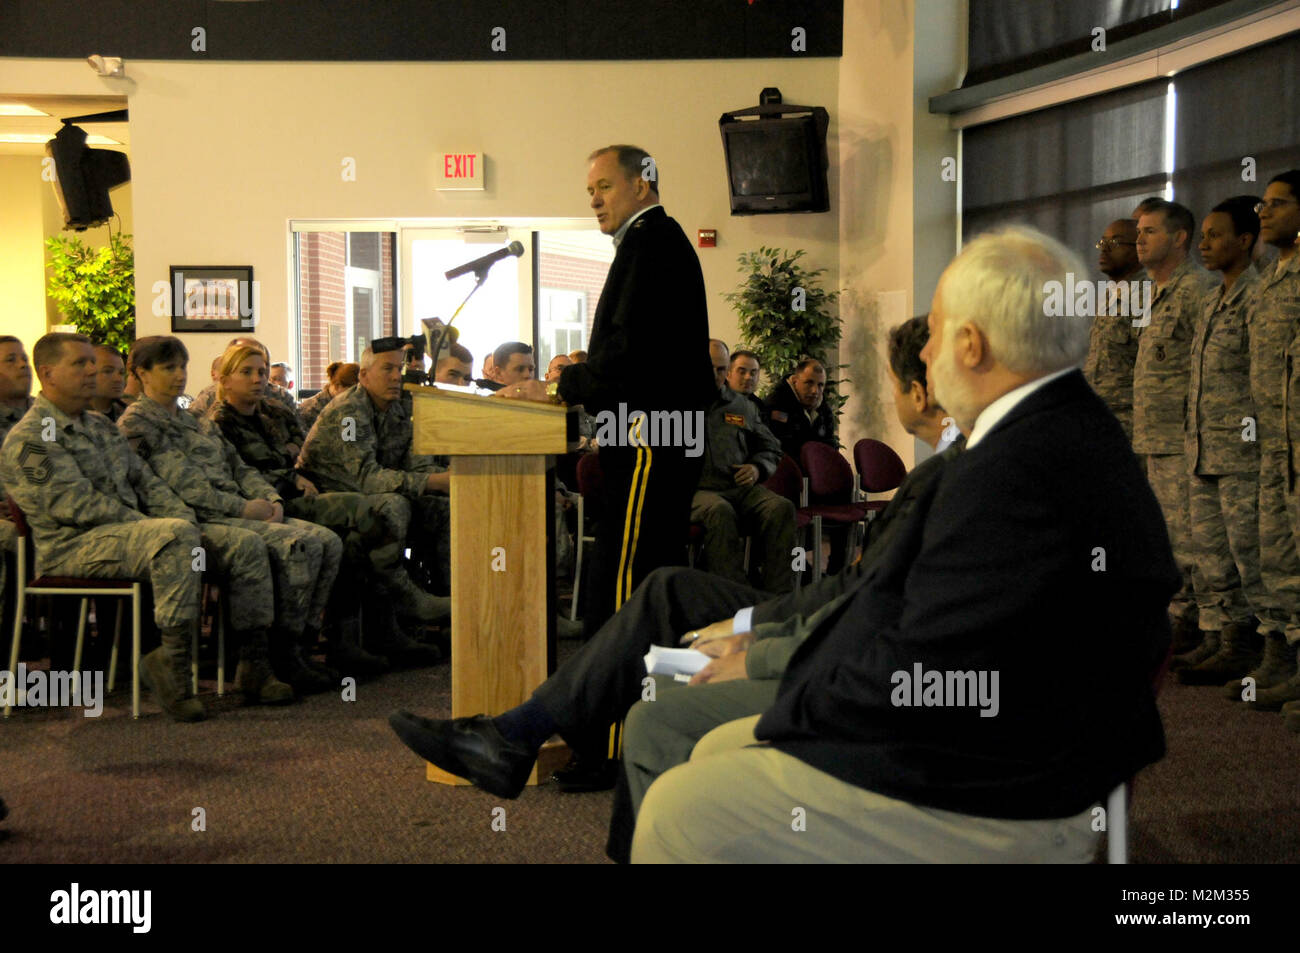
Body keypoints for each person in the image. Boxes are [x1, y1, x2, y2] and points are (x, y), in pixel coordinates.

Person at [626, 225, 1178, 863]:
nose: (928, 353)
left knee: (679, 808)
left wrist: (783, 688)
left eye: (937, 330)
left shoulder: (1009, 470)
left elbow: (914, 667)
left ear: (969, 345)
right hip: (1019, 745)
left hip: (999, 787)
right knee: (720, 747)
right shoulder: (1065, 427)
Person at [385, 315, 964, 843]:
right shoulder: (945, 469)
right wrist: (753, 621)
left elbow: (864, 599)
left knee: (768, 515)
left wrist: (755, 631)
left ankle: (516, 737)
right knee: (668, 585)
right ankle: (517, 733)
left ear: (918, 392)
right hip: (718, 510)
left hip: (845, 629)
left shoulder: (947, 474)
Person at [498, 144, 714, 644]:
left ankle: (615, 688)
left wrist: (557, 386)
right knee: (643, 560)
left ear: (641, 184)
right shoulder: (651, 241)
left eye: (605, 187)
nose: (594, 200)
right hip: (656, 431)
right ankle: (637, 684)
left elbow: (630, 355)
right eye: (590, 191)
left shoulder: (651, 242)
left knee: (628, 568)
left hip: (649, 434)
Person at [0, 333, 208, 721]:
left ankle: (179, 659)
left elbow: (145, 480)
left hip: (122, 535)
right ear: (48, 373)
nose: (92, 369)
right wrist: (156, 527)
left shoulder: (100, 425)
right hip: (70, 546)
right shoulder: (30, 439)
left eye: (91, 362)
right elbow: (75, 505)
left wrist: (181, 516)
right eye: (79, 363)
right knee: (174, 537)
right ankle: (173, 666)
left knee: (187, 532)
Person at [118, 336, 340, 697]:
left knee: (327, 541)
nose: (179, 375)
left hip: (235, 510)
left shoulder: (192, 420)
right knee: (289, 544)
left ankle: (295, 647)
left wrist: (270, 498)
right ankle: (256, 661)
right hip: (194, 521)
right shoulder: (138, 424)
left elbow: (239, 466)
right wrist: (243, 508)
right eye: (168, 368)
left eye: (182, 367)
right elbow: (180, 486)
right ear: (142, 373)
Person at [208, 345, 405, 675]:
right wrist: (288, 477)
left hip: (297, 492)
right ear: (225, 380)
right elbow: (240, 474)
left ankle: (347, 638)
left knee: (354, 540)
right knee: (360, 509)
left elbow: (298, 454)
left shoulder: (273, 414)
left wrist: (294, 473)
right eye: (247, 372)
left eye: (261, 371)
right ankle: (390, 606)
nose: (258, 379)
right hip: (267, 506)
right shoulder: (218, 423)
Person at [1174, 199, 1271, 691]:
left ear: (1247, 240)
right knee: (1209, 554)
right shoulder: (1213, 298)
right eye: (1203, 235)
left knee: (1249, 555)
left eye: (1215, 235)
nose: (1205, 244)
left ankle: (1253, 647)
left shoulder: (1259, 297)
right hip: (1203, 448)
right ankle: (1222, 637)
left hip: (1243, 453)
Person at [298, 341, 453, 639]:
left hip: (376, 495)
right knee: (393, 507)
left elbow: (417, 467)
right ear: (364, 376)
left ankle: (455, 606)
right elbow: (364, 479)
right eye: (388, 369)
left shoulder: (403, 407)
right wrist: (433, 481)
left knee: (444, 509)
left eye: (400, 369)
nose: (397, 376)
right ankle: (399, 612)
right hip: (331, 500)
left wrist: (451, 479)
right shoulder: (347, 414)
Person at [1132, 199, 1215, 654]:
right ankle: (1176, 615)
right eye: (1138, 231)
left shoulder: (1198, 290)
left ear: (1180, 237)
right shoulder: (1149, 293)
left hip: (1186, 439)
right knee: (1165, 535)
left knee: (1191, 537)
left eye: (1149, 231)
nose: (1139, 239)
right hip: (1152, 436)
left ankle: (1196, 623)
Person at [691, 339, 793, 593]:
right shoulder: (676, 404)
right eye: (710, 368)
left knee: (781, 507)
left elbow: (771, 447)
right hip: (697, 491)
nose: (716, 375)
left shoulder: (741, 406)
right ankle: (737, 598)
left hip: (738, 487)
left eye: (722, 369)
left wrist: (758, 468)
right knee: (719, 511)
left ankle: (778, 598)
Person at [1260, 170, 1300, 718]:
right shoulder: (1273, 275)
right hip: (1274, 441)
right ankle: (1289, 657)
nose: (1263, 213)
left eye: (1278, 204)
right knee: (1280, 559)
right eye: (1263, 204)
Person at [1082, 219, 1146, 441]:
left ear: (1139, 248)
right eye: (1103, 242)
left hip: (1131, 424)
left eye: (1116, 242)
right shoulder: (1110, 294)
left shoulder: (1146, 296)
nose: (1105, 248)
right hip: (1101, 419)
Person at [0, 336, 35, 634]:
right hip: (5, 517)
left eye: (23, 357)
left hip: (42, 511)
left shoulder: (44, 414)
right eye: (10, 360)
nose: (24, 365)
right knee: (11, 536)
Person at [189, 337, 298, 419]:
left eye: (262, 369)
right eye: (246, 371)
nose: (257, 379)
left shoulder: (281, 400)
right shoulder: (211, 399)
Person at [763, 358, 836, 459]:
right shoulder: (776, 404)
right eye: (809, 383)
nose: (815, 391)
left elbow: (831, 445)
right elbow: (777, 447)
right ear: (794, 381)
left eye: (820, 385)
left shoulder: (823, 408)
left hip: (815, 470)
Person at [297, 361, 358, 431]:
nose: (355, 395)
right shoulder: (310, 410)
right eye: (351, 391)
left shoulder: (346, 405)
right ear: (337, 386)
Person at [89, 344, 130, 422]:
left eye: (121, 373)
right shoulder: (73, 416)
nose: (118, 379)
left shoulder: (130, 415)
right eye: (108, 371)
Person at [726, 348, 765, 415]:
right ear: (728, 374)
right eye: (742, 372)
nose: (748, 377)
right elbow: (700, 425)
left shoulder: (760, 406)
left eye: (753, 373)